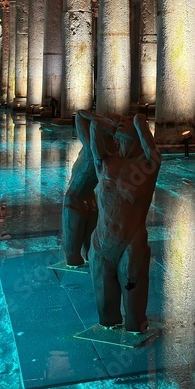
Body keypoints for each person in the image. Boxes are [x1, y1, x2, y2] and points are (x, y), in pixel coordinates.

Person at [88, 113, 161, 331]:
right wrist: (112, 125)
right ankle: (111, 323)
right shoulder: (105, 162)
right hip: (101, 244)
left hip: (132, 244)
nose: (121, 125)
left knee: (135, 318)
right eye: (118, 136)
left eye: (125, 133)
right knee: (106, 315)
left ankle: (135, 325)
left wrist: (139, 120)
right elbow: (91, 125)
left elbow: (154, 153)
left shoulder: (146, 167)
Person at [62, 110, 118, 267]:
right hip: (78, 199)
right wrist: (108, 124)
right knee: (75, 256)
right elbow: (79, 115)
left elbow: (80, 115)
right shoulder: (98, 150)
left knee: (88, 251)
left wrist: (103, 122)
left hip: (83, 198)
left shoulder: (96, 150)